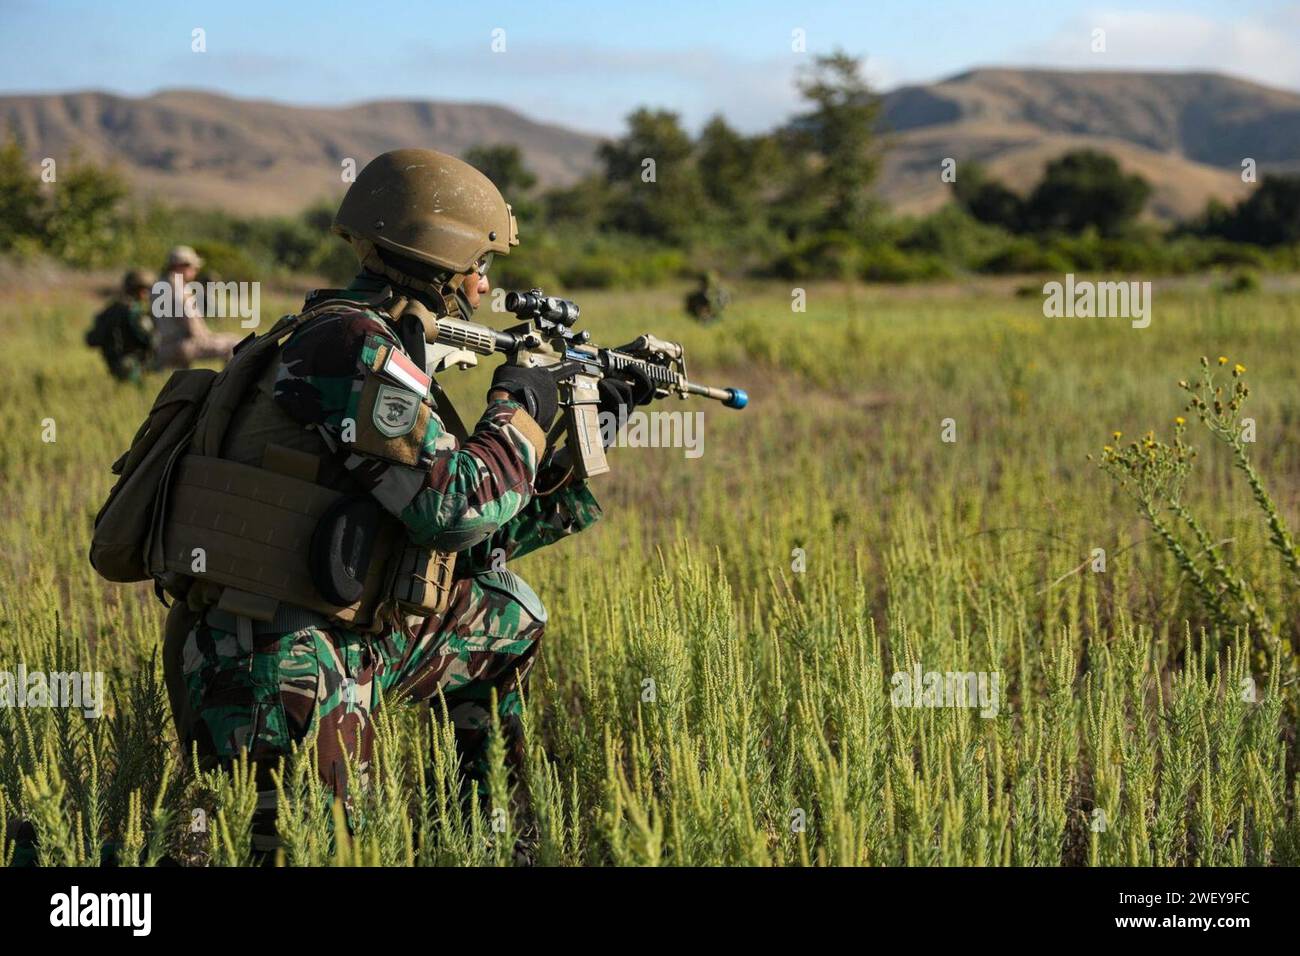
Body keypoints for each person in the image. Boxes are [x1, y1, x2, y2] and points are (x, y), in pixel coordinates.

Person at [159, 149, 647, 856]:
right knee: (312, 850)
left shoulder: (360, 340)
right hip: (273, 657)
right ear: (439, 257)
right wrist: (520, 405)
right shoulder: (348, 349)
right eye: (481, 265)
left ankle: (488, 837)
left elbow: (478, 541)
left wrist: (591, 426)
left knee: (507, 621)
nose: (485, 287)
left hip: (338, 631)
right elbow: (454, 508)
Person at [154, 245, 241, 367]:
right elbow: (190, 322)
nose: (196, 270)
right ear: (180, 266)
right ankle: (228, 384)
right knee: (236, 344)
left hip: (164, 345)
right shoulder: (179, 288)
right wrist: (207, 337)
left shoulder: (159, 285)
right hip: (182, 345)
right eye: (193, 267)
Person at [84, 269, 156, 382]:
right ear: (141, 290)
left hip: (114, 364)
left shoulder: (111, 309)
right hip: (134, 366)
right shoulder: (135, 312)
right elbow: (151, 339)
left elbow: (91, 339)